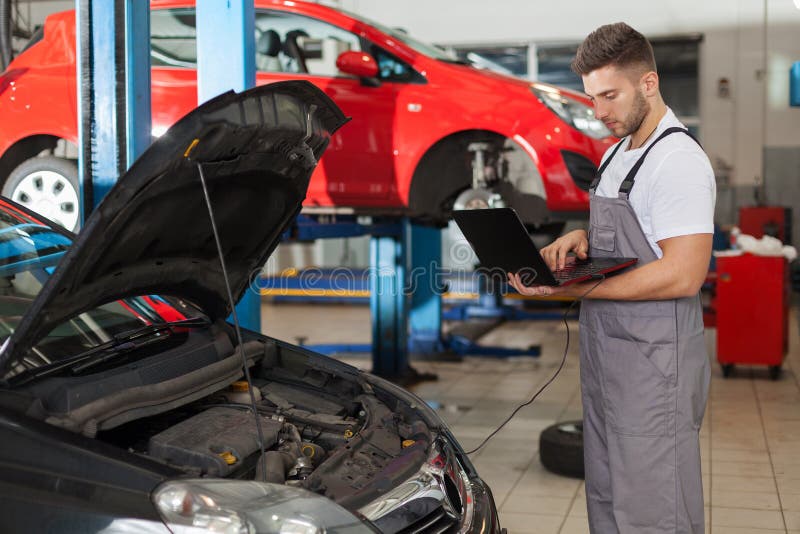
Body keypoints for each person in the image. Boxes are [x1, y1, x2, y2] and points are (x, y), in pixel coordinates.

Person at [508, 23, 714, 534]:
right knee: (609, 491)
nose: (598, 111)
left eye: (608, 96)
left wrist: (574, 288)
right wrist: (582, 238)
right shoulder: (616, 153)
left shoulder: (678, 160)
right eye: (590, 97)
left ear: (648, 83)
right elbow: (633, 233)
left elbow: (685, 273)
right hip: (609, 355)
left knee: (653, 504)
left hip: (654, 363)